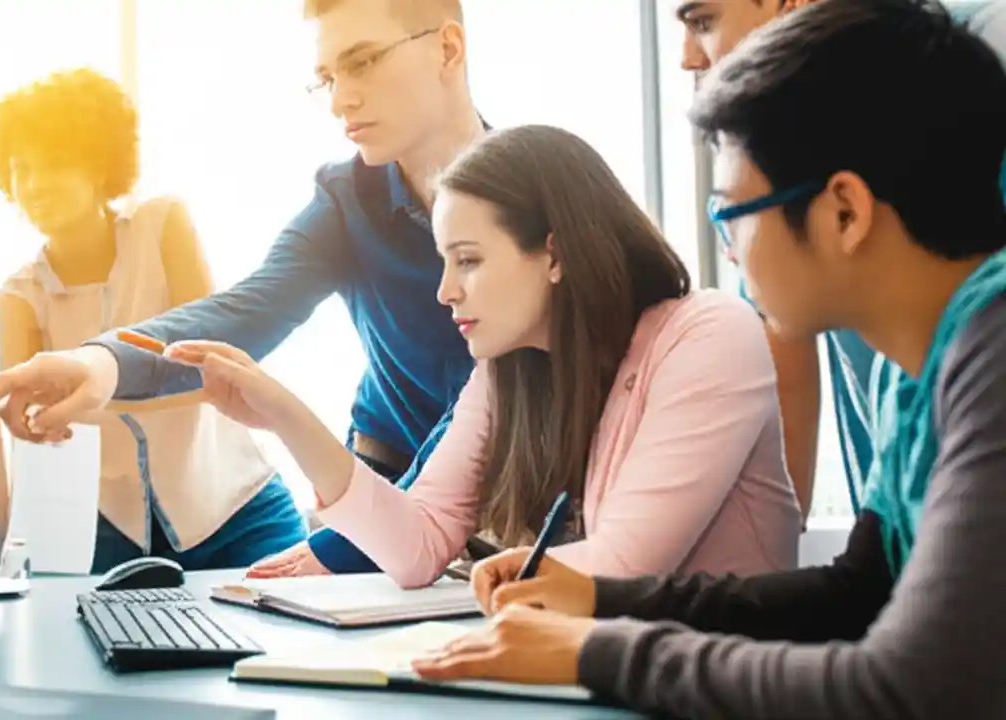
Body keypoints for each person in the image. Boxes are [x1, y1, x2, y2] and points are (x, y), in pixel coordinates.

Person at [410, 2, 1006, 717]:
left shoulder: (993, 355)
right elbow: (857, 590)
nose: (728, 248)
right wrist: (599, 597)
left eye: (731, 213)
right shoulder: (907, 374)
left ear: (844, 212)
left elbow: (912, 684)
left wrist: (594, 651)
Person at [0, 0, 489, 576]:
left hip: (502, 499)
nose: (342, 99)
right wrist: (98, 364)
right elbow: (245, 311)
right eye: (328, 78)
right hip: (384, 487)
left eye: (363, 62)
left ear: (447, 48)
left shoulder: (550, 192)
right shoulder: (345, 200)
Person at [164, 125, 802, 587]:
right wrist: (286, 418)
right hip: (611, 681)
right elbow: (416, 549)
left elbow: (626, 567)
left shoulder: (710, 333)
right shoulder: (510, 371)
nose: (445, 290)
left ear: (554, 255)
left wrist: (484, 577)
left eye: (467, 260)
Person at [676, 0, 1006, 520]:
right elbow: (786, 371)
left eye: (703, 21)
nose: (688, 58)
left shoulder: (976, 58)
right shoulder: (776, 178)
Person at [0, 68, 304, 572]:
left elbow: (210, 364)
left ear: (98, 166)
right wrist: (12, 551)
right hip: (110, 533)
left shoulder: (162, 226)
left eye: (55, 164)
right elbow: (30, 434)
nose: (36, 185)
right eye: (22, 169)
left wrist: (101, 384)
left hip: (236, 510)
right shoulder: (20, 297)